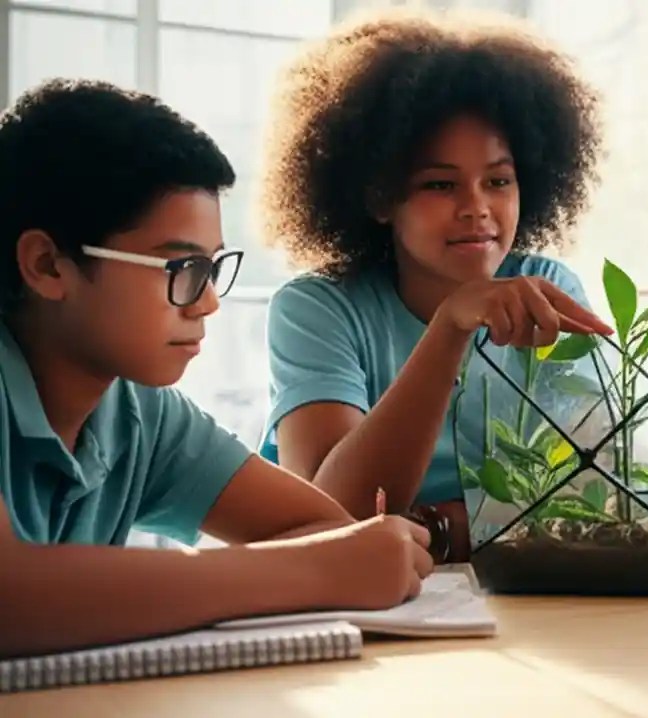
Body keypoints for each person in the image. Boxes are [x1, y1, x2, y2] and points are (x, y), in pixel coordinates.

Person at [0, 80, 431, 659]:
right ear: (48, 265)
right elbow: (13, 599)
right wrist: (312, 573)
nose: (206, 302)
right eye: (181, 267)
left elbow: (326, 533)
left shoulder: (140, 414)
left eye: (212, 268)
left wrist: (329, 562)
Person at [258, 9, 611, 559]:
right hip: (365, 605)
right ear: (379, 195)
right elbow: (334, 518)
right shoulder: (317, 309)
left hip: (521, 592)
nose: (477, 209)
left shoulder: (545, 285)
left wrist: (438, 530)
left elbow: (595, 491)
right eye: (440, 184)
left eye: (498, 180)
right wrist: (450, 327)